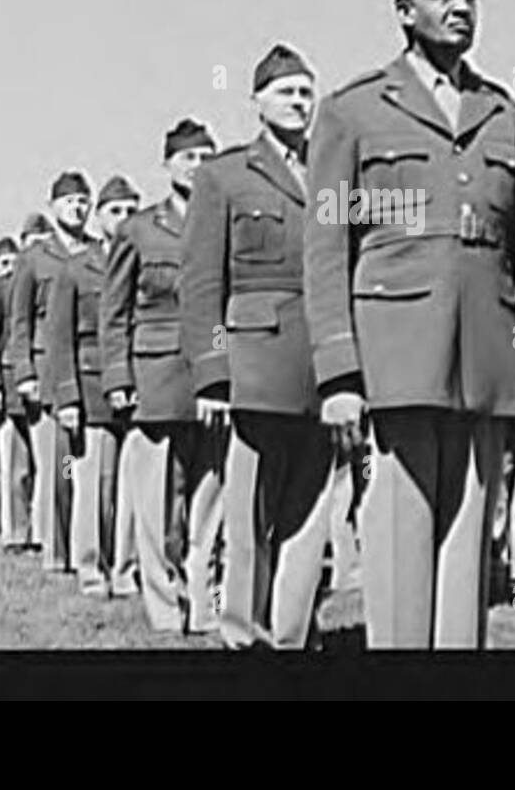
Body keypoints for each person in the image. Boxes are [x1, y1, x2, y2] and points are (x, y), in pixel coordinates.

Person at [304, 0, 515, 649]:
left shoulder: (505, 115)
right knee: (400, 549)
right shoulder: (354, 111)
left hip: (486, 364)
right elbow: (326, 248)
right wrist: (339, 375)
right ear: (404, 11)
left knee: (468, 557)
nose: (461, 7)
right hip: (397, 362)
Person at [182, 45, 332, 649]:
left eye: (306, 92)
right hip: (254, 370)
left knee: (311, 515)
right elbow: (202, 283)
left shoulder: (332, 172)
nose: (298, 103)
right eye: (286, 92)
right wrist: (212, 373)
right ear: (257, 102)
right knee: (247, 519)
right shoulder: (223, 176)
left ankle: (292, 634)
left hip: (322, 369)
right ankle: (243, 633)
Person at [100, 117, 223, 631]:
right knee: (156, 500)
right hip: (155, 376)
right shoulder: (139, 229)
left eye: (206, 157)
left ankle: (204, 597)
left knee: (210, 495)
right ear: (167, 164)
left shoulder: (224, 219)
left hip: (212, 377)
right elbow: (114, 310)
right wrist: (117, 378)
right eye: (188, 157)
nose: (197, 166)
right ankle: (164, 604)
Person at [50, 175, 140, 597]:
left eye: (131, 211)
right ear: (99, 216)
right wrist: (67, 397)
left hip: (139, 386)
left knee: (132, 488)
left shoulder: (145, 259)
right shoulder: (75, 269)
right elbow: (59, 338)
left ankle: (126, 568)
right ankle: (90, 567)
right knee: (96, 485)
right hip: (92, 390)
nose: (124, 218)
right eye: (115, 211)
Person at [9, 173, 96, 572]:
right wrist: (23, 371)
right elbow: (20, 319)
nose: (77, 208)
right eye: (69, 201)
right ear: (53, 206)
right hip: (46, 370)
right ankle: (55, 550)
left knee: (82, 464)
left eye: (82, 201)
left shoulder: (96, 252)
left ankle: (82, 546)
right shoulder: (34, 258)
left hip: (88, 369)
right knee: (56, 465)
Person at [0, 232, 33, 552]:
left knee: (50, 465)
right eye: (4, 263)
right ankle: (14, 530)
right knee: (14, 463)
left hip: (35, 382)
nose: (11, 268)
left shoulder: (31, 284)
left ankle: (38, 527)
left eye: (16, 261)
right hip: (7, 382)